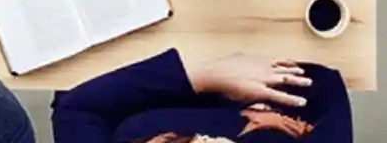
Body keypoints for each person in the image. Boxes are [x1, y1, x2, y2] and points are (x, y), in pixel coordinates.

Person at [51, 50, 352, 142]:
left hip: (139, 58)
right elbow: (324, 88)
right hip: (258, 49)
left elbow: (75, 110)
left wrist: (205, 76)